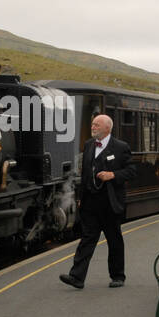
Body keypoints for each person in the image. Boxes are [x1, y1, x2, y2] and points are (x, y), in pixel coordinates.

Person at [61, 114, 136, 289]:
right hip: (90, 203)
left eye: (97, 125)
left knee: (114, 240)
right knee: (87, 239)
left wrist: (113, 175)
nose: (93, 127)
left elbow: (132, 171)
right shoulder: (88, 145)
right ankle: (76, 277)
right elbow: (85, 174)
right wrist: (81, 198)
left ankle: (118, 276)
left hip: (110, 203)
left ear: (107, 128)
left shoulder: (120, 147)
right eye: (93, 124)